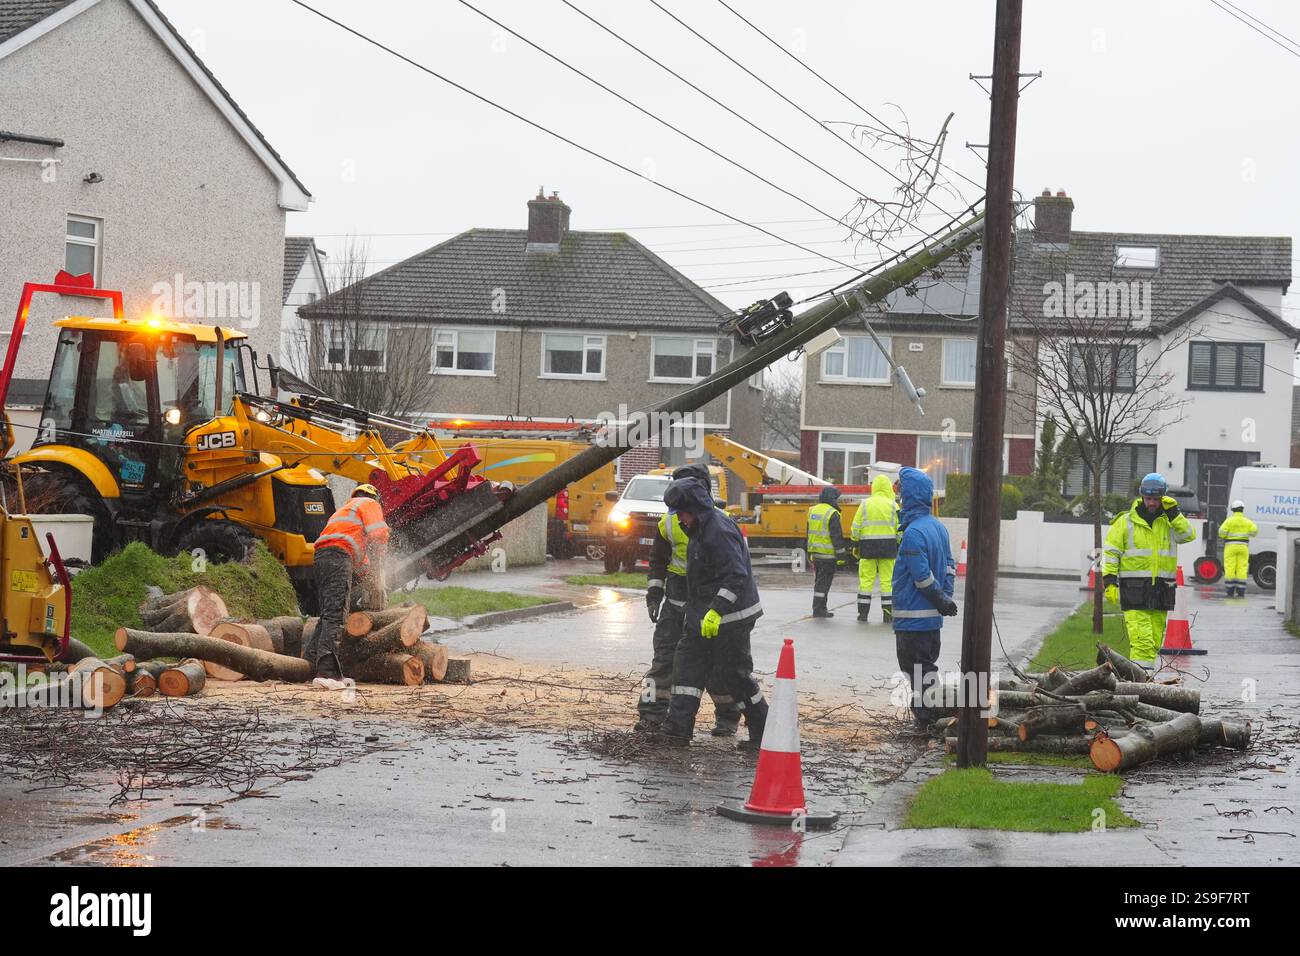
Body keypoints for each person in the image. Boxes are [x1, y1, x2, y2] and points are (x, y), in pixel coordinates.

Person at [659, 476, 768, 750]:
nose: (680, 520)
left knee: (734, 676)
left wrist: (716, 610)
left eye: (682, 513)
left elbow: (735, 575)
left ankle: (764, 732)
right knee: (686, 670)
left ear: (694, 508)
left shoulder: (717, 529)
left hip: (731, 620)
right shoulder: (699, 527)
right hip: (703, 619)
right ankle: (677, 731)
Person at [638, 464, 742, 737]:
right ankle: (651, 716)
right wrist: (654, 594)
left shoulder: (721, 522)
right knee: (665, 660)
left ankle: (727, 717)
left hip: (708, 601)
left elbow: (736, 571)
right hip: (677, 598)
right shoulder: (670, 522)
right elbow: (658, 561)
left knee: (717, 662)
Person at [1102, 473, 1195, 668]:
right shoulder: (1125, 522)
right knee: (1142, 641)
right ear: (1141, 496)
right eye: (1148, 498)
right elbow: (1111, 553)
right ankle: (1140, 684)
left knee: (1153, 642)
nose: (1152, 503)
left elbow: (1188, 535)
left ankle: (1143, 682)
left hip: (1162, 590)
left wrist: (1175, 513)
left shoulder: (1170, 521)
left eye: (1156, 499)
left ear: (1163, 498)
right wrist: (1109, 582)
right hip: (1134, 590)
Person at [305, 483, 390, 688]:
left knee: (327, 613)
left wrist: (371, 579)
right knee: (336, 614)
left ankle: (308, 663)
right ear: (374, 497)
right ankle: (327, 674)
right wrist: (381, 562)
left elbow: (360, 564)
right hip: (338, 556)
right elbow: (379, 535)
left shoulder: (345, 513)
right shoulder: (368, 503)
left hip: (323, 556)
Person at [892, 467, 957, 728]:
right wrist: (945, 598)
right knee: (926, 667)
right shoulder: (938, 528)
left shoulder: (913, 534)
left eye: (901, 494)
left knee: (917, 670)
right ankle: (930, 716)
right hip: (931, 621)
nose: (899, 499)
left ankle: (928, 719)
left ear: (909, 497)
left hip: (912, 620)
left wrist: (941, 599)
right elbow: (949, 566)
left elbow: (921, 578)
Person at [851, 473, 900, 623]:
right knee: (887, 581)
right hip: (888, 547)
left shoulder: (865, 504)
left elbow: (856, 527)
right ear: (888, 488)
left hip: (868, 547)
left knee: (866, 582)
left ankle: (863, 614)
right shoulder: (893, 505)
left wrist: (855, 543)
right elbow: (900, 528)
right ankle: (888, 614)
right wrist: (898, 543)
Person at [806, 485, 849, 618]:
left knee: (819, 581)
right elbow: (836, 536)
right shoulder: (832, 513)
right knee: (824, 583)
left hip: (815, 554)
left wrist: (808, 552)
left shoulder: (812, 510)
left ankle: (819, 607)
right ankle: (819, 610)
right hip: (828, 555)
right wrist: (842, 555)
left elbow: (808, 533)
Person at [1218, 499, 1258, 598]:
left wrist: (1227, 536)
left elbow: (1221, 533)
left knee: (1230, 567)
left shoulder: (1229, 521)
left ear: (1233, 510)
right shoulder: (1247, 521)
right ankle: (1241, 591)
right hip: (1243, 547)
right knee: (1242, 567)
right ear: (1242, 510)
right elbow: (1254, 532)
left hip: (1230, 546)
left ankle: (1230, 590)